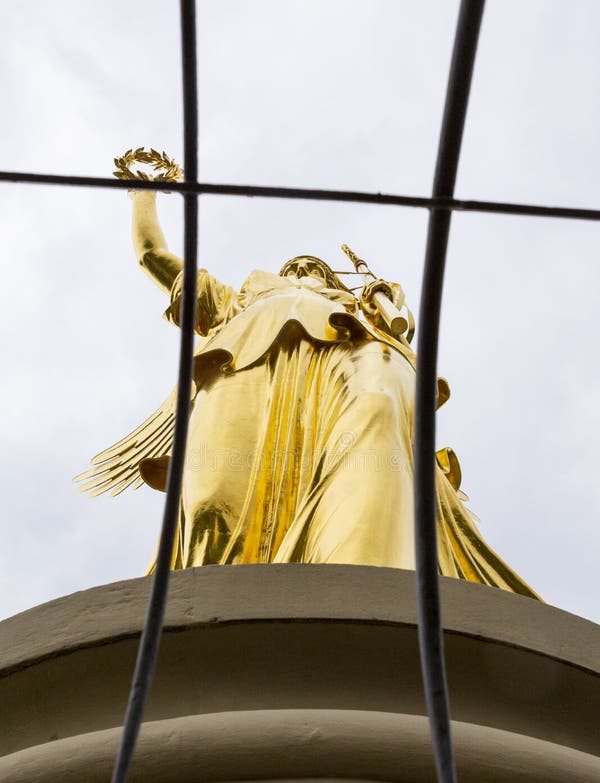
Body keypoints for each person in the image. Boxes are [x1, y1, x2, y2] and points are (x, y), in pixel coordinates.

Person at [77, 191, 540, 599]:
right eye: (296, 267)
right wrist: (145, 194)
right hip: (242, 371)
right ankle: (203, 634)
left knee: (377, 422)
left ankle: (360, 596)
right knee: (211, 513)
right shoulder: (235, 302)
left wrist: (381, 304)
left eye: (314, 268)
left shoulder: (356, 311)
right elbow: (153, 255)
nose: (304, 271)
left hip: (347, 353)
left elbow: (404, 330)